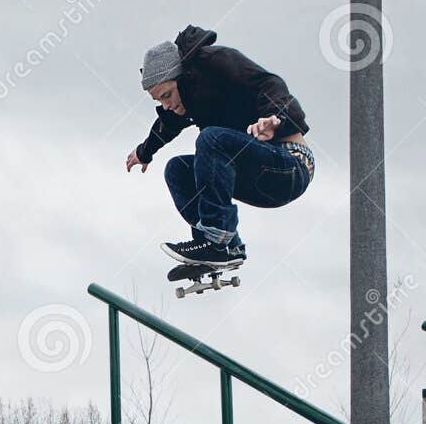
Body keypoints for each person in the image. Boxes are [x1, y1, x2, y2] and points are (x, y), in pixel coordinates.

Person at [126, 25, 314, 269]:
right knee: (178, 169)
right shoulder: (191, 100)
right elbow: (167, 124)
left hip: (290, 165)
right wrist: (144, 152)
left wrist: (273, 117)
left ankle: (215, 240)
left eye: (167, 95)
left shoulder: (215, 62)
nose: (166, 104)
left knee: (211, 139)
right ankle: (227, 248)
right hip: (257, 176)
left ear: (181, 78)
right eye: (159, 100)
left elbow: (269, 83)